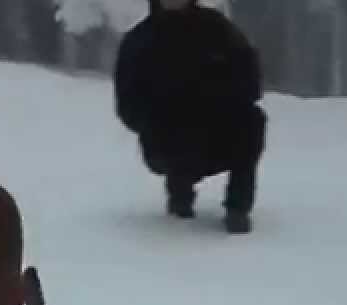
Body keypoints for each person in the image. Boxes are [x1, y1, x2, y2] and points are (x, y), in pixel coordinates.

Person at [113, 0, 267, 234]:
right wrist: (154, 120)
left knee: (252, 121)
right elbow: (127, 103)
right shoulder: (139, 40)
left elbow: (250, 78)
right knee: (178, 138)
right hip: (165, 139)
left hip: (217, 129)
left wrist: (222, 100)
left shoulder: (218, 29)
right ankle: (179, 192)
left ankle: (238, 208)